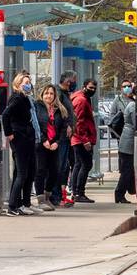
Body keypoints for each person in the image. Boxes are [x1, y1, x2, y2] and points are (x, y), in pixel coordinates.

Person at [2, 72, 39, 216]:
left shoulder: (25, 98)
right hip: (20, 138)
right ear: (18, 84)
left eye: (29, 81)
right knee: (22, 173)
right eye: (25, 82)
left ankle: (22, 203)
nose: (28, 84)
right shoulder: (17, 98)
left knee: (28, 172)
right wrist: (9, 133)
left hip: (27, 138)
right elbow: (6, 115)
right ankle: (12, 206)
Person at [33, 83, 66, 209]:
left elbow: (63, 128)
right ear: (42, 94)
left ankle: (47, 196)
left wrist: (57, 142)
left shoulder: (59, 109)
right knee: (40, 170)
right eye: (46, 93)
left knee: (55, 171)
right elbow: (36, 125)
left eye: (51, 93)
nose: (49, 96)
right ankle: (40, 199)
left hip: (54, 144)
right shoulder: (37, 107)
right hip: (41, 144)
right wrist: (43, 140)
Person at [68, 78, 98, 204]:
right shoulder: (81, 100)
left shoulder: (81, 97)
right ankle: (79, 192)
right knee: (85, 164)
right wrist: (85, 140)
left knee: (79, 164)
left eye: (94, 88)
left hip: (78, 138)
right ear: (84, 86)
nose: (93, 90)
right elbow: (79, 122)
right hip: (81, 138)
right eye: (91, 87)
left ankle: (75, 192)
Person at [108, 84, 137, 204]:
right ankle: (119, 194)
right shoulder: (133, 106)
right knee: (127, 170)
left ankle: (125, 192)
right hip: (128, 143)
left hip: (127, 141)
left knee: (128, 169)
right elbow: (136, 125)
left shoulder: (132, 104)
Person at [56, 71, 78, 204]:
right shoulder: (59, 94)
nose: (73, 83)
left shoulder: (65, 94)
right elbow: (59, 112)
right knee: (60, 165)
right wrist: (67, 125)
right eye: (73, 80)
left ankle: (62, 194)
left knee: (65, 166)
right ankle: (57, 195)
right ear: (67, 81)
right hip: (62, 136)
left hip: (67, 136)